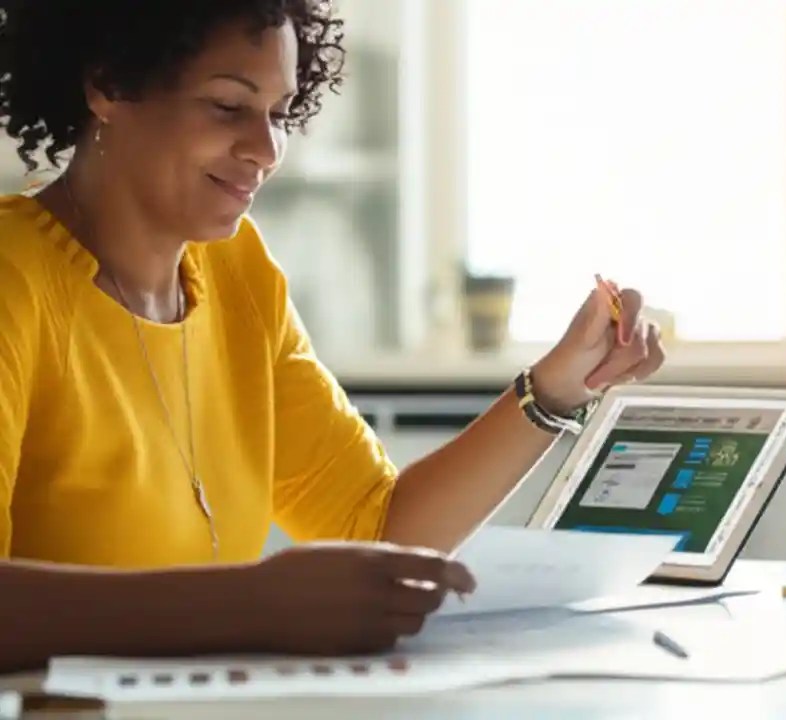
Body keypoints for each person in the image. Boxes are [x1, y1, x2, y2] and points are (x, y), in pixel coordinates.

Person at [0, 0, 665, 673]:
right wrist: (253, 603)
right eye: (229, 107)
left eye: (280, 114)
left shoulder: (237, 276)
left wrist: (554, 388)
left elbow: (378, 529)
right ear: (108, 85)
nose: (265, 151)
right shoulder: (11, 278)